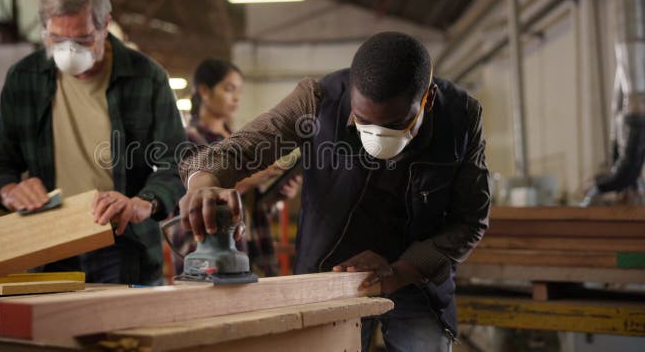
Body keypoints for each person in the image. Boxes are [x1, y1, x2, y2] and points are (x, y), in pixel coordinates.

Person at [178, 32, 490, 351]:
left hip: (416, 278)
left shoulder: (461, 117)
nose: (377, 136)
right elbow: (239, 148)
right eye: (363, 120)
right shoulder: (319, 99)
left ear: (428, 98)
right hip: (329, 275)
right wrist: (204, 183)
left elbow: (470, 221)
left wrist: (397, 273)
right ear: (351, 91)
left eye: (396, 123)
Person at [0, 0, 186, 285]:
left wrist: (141, 203)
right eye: (57, 39)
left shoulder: (148, 78)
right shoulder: (24, 78)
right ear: (43, 29)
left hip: (121, 245)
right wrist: (10, 190)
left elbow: (178, 164)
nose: (69, 50)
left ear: (105, 25)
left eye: (82, 39)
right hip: (48, 243)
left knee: (127, 333)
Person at [171, 58, 301, 277]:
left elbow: (248, 208)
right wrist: (252, 176)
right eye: (229, 89)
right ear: (204, 90)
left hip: (248, 247)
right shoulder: (186, 139)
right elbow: (185, 200)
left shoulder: (237, 142)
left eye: (239, 90)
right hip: (205, 250)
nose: (236, 98)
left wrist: (275, 193)